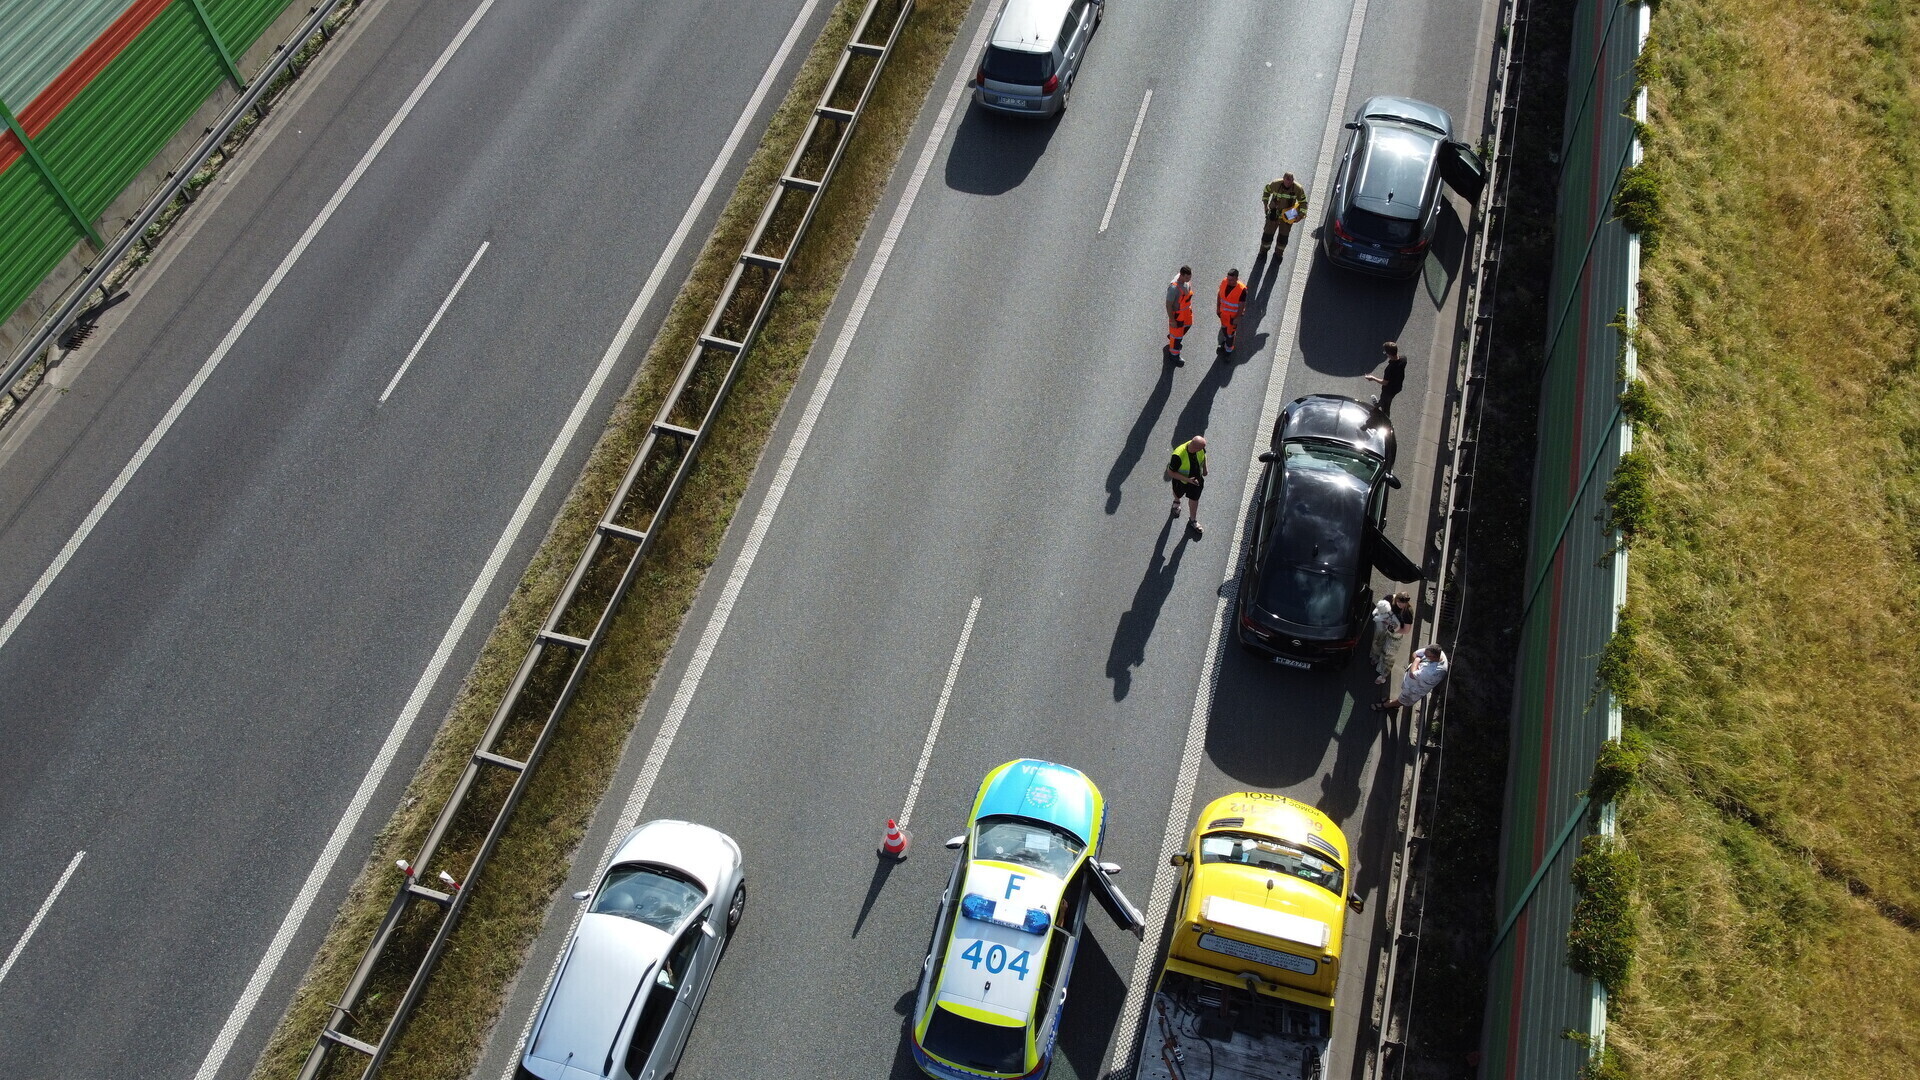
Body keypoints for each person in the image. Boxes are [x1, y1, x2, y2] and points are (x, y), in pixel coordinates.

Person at [1372, 644, 1449, 713]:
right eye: (1425, 652)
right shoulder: (1437, 652)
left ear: (1434, 657)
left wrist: (1417, 660)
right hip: (1412, 682)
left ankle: (1387, 705)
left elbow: (1412, 674)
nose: (1424, 655)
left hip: (1416, 689)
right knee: (1403, 694)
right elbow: (1415, 654)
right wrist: (1415, 665)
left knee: (1404, 699)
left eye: (1427, 655)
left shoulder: (1433, 672)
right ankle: (1394, 704)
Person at [1165, 435, 1208, 539]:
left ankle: (1193, 520)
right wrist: (1188, 480)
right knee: (1178, 493)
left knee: (1194, 499)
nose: (1202, 449)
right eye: (1200, 448)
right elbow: (1170, 472)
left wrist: (1205, 468)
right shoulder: (1178, 454)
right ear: (1195, 447)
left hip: (1197, 480)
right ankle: (1176, 501)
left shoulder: (1199, 447)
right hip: (1181, 481)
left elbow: (1204, 455)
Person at [1369, 592, 1414, 685]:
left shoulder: (1408, 612)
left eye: (1404, 604)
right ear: (1396, 599)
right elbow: (1380, 607)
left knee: (1389, 654)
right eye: (1399, 603)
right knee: (1377, 641)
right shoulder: (1389, 598)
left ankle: (1383, 674)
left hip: (1396, 632)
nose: (1401, 606)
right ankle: (1376, 657)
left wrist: (1393, 629)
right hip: (1384, 623)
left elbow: (1406, 630)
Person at [1260, 173, 1309, 256]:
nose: (1288, 184)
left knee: (1283, 238)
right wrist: (1265, 205)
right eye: (1286, 181)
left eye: (1290, 182)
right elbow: (1266, 190)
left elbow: (1303, 202)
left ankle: (1278, 254)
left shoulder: (1298, 189)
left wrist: (1300, 216)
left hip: (1287, 216)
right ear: (1283, 179)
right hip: (1273, 214)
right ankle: (1263, 252)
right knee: (1267, 236)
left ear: (1293, 181)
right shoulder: (1275, 184)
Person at [1364, 341, 1408, 416]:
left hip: (1389, 390)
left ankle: (1385, 420)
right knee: (1384, 400)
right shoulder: (1404, 359)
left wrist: (1373, 378)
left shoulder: (1390, 369)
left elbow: (1384, 382)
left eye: (1385, 352)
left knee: (1386, 407)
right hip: (1398, 387)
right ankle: (1378, 404)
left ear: (1389, 354)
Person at [1165, 266, 1195, 366]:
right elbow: (1168, 305)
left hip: (1186, 312)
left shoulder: (1185, 281)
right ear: (1181, 275)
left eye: (1189, 278)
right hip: (1178, 315)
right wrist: (1172, 320)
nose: (1188, 280)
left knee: (1188, 325)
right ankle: (1174, 355)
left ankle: (1173, 339)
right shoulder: (1174, 288)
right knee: (1177, 336)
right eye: (1187, 278)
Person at [1216, 269, 1247, 357]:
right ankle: (1225, 344)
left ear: (1237, 278)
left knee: (1230, 334)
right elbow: (1219, 294)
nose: (1229, 281)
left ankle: (1228, 351)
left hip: (1232, 317)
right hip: (1223, 314)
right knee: (1224, 329)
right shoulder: (1224, 281)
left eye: (1231, 280)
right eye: (1228, 279)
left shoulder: (1241, 290)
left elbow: (1241, 305)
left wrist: (1237, 318)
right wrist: (1218, 308)